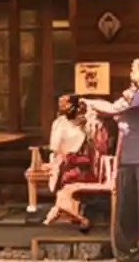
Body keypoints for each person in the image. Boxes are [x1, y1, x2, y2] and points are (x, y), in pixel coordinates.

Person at [86, 59, 139, 262]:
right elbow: (111, 108)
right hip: (126, 157)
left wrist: (131, 96)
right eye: (138, 70)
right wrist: (88, 102)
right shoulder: (126, 97)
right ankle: (123, 253)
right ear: (131, 75)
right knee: (124, 206)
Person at [44, 95, 109, 229]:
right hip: (65, 159)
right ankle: (73, 213)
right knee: (63, 174)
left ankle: (66, 210)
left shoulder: (88, 124)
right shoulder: (59, 123)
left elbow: (99, 146)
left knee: (71, 175)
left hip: (84, 161)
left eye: (66, 104)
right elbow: (55, 147)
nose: (63, 107)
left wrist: (89, 126)